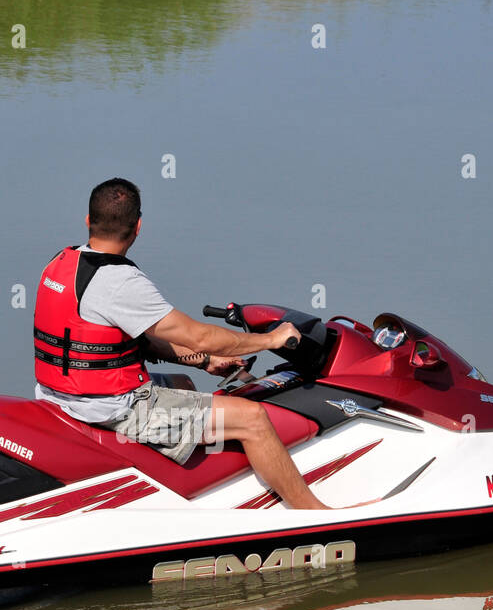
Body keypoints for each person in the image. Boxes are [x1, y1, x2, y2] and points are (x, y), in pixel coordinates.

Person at [33, 177, 332, 510]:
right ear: (138, 226)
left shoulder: (61, 263)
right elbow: (201, 335)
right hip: (114, 409)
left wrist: (205, 361)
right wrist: (271, 339)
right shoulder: (119, 281)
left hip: (60, 396)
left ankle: (186, 492)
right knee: (253, 419)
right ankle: (314, 513)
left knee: (183, 386)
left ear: (88, 221)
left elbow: (121, 343)